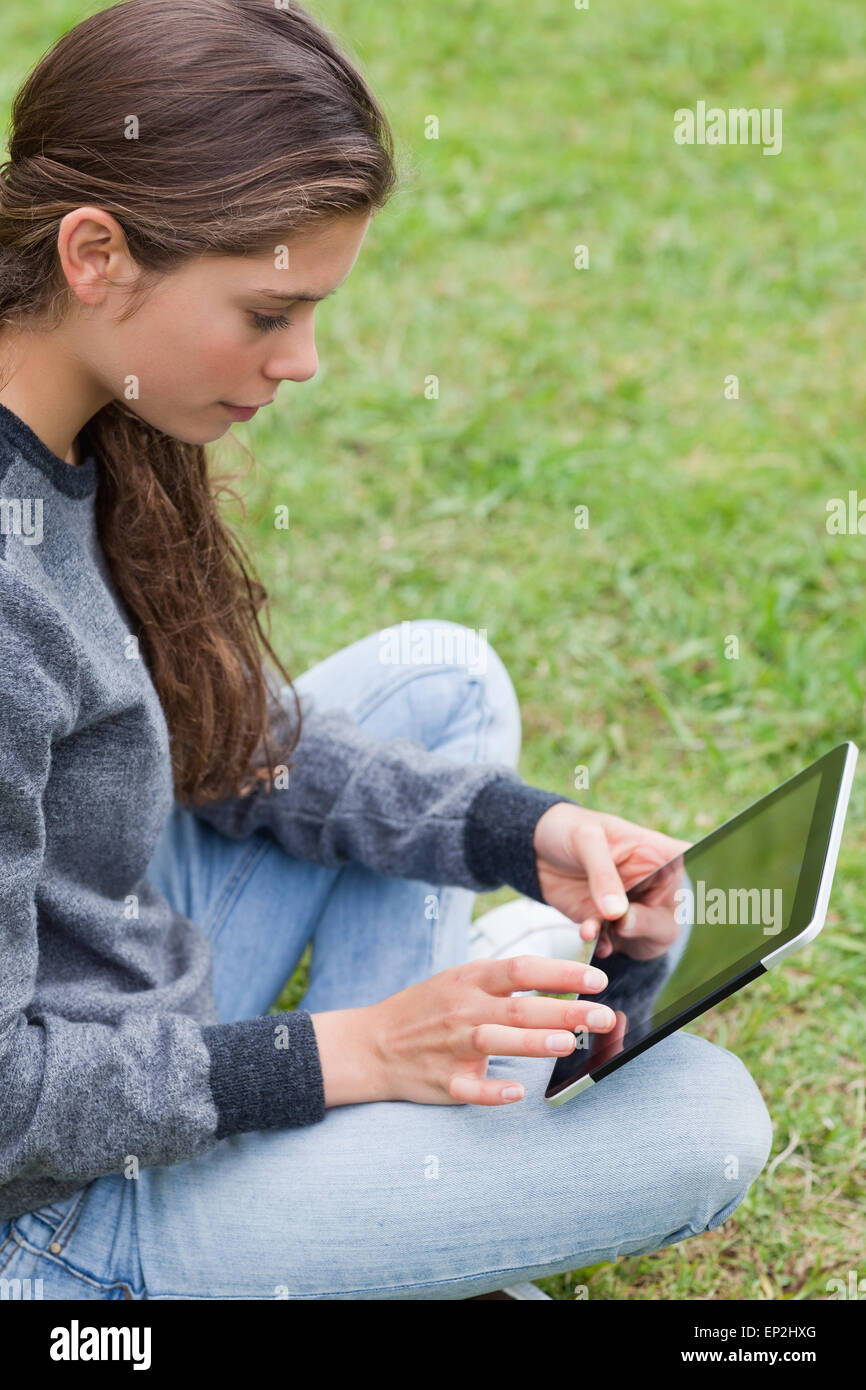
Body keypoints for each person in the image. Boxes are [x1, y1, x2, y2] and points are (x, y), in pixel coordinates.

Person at [0, 0, 772, 1300]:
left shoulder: (89, 420)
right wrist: (344, 1052)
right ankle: (392, 1153)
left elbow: (224, 741)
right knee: (707, 1122)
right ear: (95, 254)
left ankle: (407, 1129)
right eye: (266, 312)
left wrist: (525, 831)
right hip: (55, 1204)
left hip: (122, 983)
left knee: (439, 680)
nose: (303, 362)